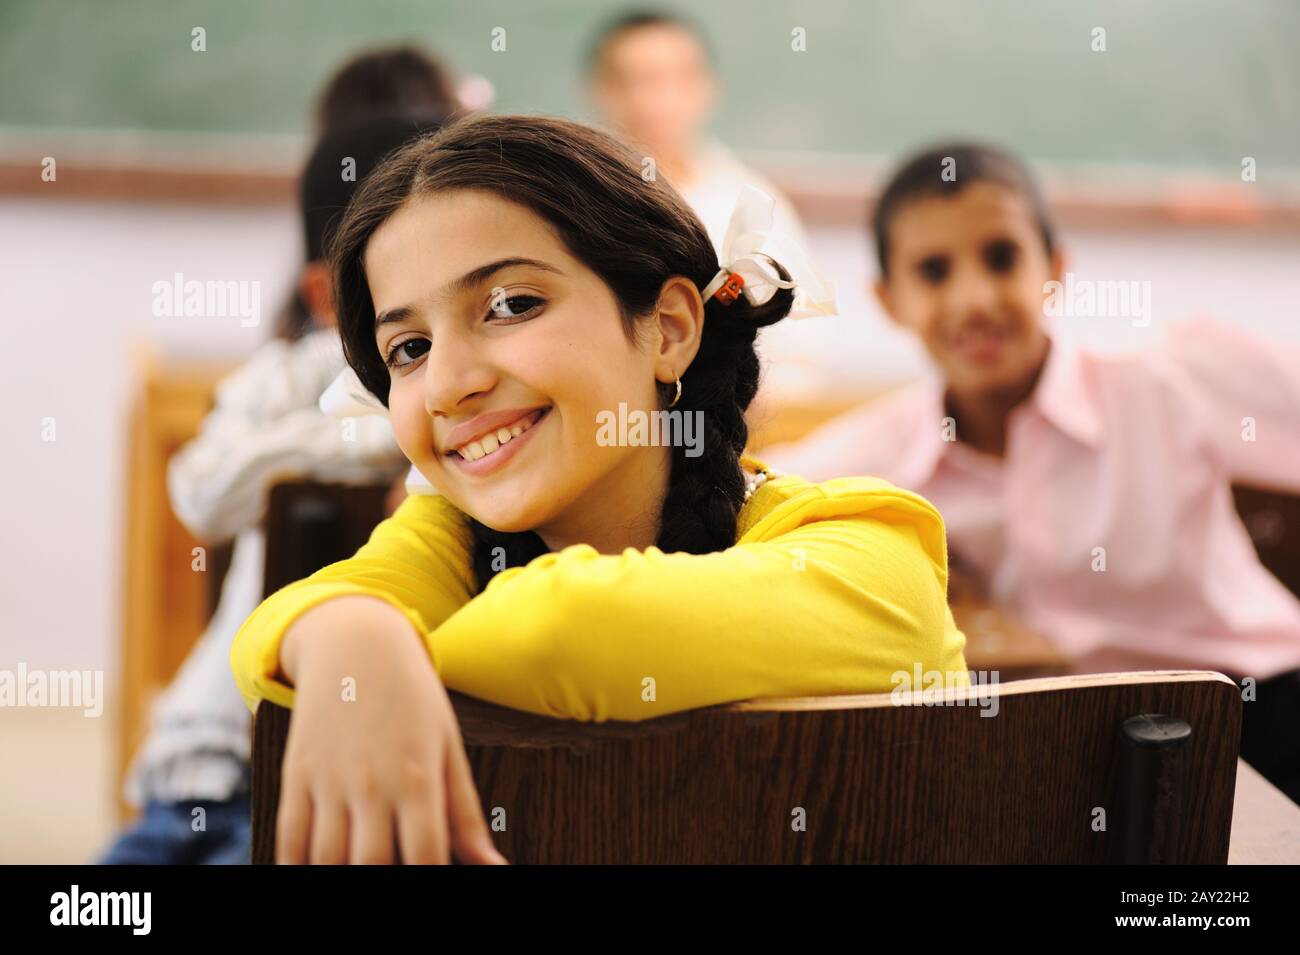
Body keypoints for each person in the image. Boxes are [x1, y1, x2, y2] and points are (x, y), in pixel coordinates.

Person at [229, 114, 969, 864]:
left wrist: (363, 657)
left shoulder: (872, 552)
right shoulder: (447, 537)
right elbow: (273, 632)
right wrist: (348, 634)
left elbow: (560, 625)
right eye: (410, 349)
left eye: (512, 304)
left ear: (669, 329)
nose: (450, 384)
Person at [763, 142, 1300, 801]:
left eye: (1002, 257)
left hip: (1263, 704)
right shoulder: (882, 451)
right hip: (1075, 750)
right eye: (933, 270)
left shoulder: (1173, 378)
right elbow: (753, 501)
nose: (974, 298)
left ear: (1055, 267)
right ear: (888, 298)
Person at [97, 110, 445, 865]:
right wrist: (379, 432)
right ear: (326, 299)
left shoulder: (472, 413)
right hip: (195, 761)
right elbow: (203, 490)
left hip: (307, 791)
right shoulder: (300, 375)